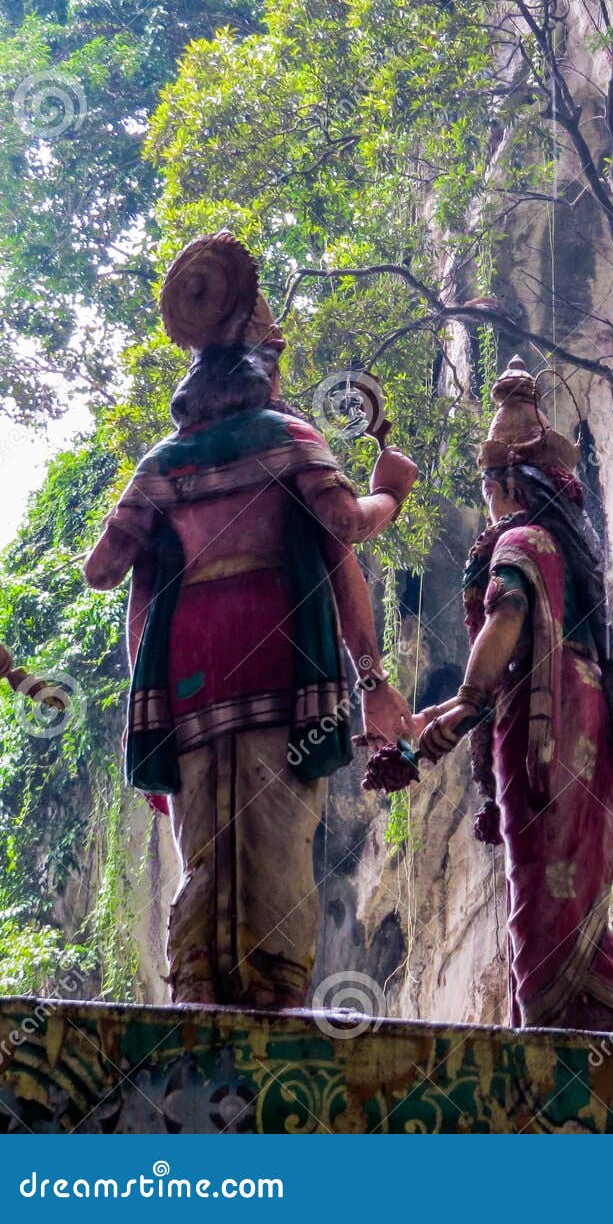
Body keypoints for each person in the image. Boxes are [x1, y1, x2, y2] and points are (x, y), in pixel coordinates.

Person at [83, 232, 417, 1010]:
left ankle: (198, 993)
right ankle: (271, 1003)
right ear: (260, 358)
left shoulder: (161, 463)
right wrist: (391, 491)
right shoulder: (287, 437)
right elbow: (345, 529)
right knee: (275, 839)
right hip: (278, 666)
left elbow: (104, 571)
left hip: (187, 684)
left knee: (203, 845)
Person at [416, 365, 613, 1031]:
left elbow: (507, 615)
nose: (487, 497)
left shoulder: (519, 542)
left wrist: (467, 700)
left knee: (540, 880)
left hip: (540, 718)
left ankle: (558, 1038)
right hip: (591, 714)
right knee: (575, 881)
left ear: (506, 485)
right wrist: (443, 712)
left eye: (488, 484)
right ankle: (602, 1018)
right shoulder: (569, 550)